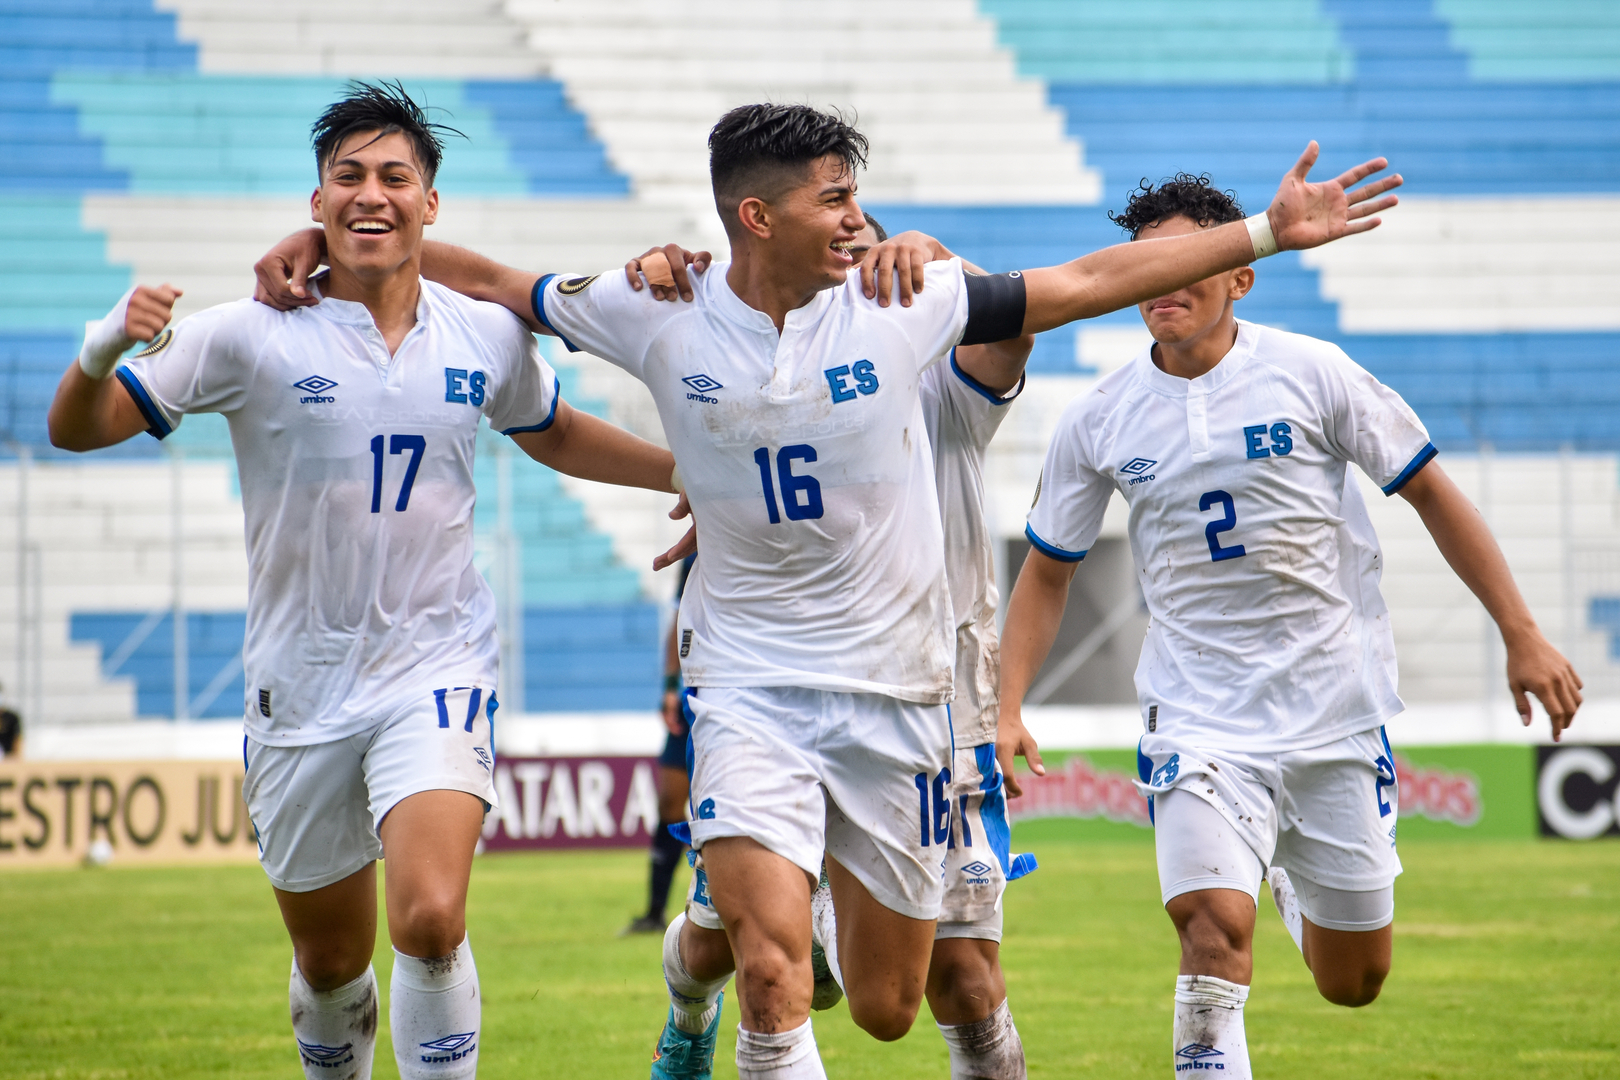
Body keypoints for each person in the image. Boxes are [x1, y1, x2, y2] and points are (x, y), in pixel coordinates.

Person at [261, 104, 1401, 1080]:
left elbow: (1088, 281)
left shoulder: (914, 301)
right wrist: (333, 244)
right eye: (835, 198)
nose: (860, 218)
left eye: (859, 197)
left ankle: (696, 935)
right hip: (748, 689)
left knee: (892, 1000)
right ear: (757, 218)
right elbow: (503, 282)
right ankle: (721, 952)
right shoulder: (655, 305)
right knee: (775, 976)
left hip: (898, 700)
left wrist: (1263, 234)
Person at [47, 81, 681, 1080]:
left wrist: (689, 474)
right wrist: (101, 349)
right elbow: (76, 430)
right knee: (332, 964)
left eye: (395, 176)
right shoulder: (247, 333)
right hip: (296, 685)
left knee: (430, 918)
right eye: (349, 176)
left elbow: (552, 430)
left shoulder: (483, 333)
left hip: (437, 660)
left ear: (432, 204)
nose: (370, 193)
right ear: (316, 202)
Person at [995, 174, 1583, 1080]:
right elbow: (1047, 571)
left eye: (1195, 262)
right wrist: (1006, 706)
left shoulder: (1313, 372)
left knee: (1354, 982)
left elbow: (1430, 491)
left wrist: (1522, 631)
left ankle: (1282, 877)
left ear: (1242, 276)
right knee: (1210, 932)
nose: (1168, 282)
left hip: (1333, 711)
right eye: (1150, 263)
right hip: (1198, 718)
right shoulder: (1099, 416)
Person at [623, 553, 698, 936]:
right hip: (690, 697)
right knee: (670, 799)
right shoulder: (693, 557)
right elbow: (678, 621)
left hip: (733, 694)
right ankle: (654, 912)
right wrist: (671, 686)